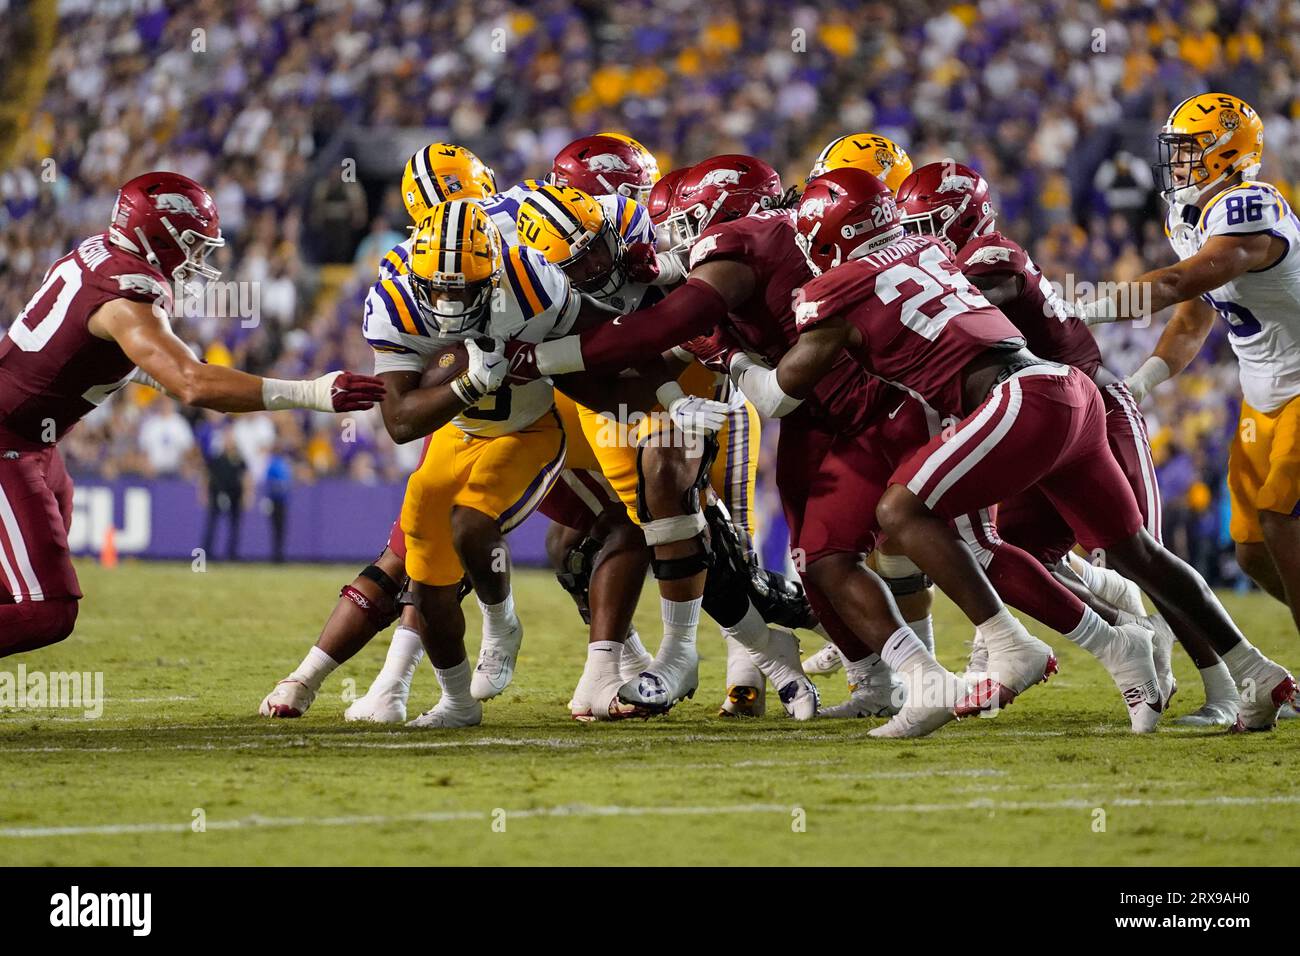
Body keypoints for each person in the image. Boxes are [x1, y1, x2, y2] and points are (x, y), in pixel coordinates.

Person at [754, 166, 1295, 734]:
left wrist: (729, 358)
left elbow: (775, 397)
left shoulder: (898, 274)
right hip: (1065, 396)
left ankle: (1012, 645)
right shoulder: (930, 251)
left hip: (1031, 401)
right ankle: (1251, 669)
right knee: (1125, 550)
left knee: (902, 512)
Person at [895, 159, 1240, 727]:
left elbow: (965, 311)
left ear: (962, 216)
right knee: (1016, 551)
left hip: (1095, 413)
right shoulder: (957, 261)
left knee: (1144, 557)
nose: (916, 239)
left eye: (926, 224)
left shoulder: (989, 257)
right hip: (1040, 422)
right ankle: (1125, 628)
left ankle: (1226, 685)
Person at [0, 170, 384, 657]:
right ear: (156, 236)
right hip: (9, 440)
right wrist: (312, 393)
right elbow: (193, 382)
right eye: (193, 244)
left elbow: (100, 359)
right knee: (47, 609)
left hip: (32, 440)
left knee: (16, 586)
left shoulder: (100, 254)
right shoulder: (125, 297)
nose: (200, 258)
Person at [1081, 93, 1300, 645]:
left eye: (1188, 150)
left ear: (1226, 151)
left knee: (1280, 516)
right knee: (1251, 547)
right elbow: (1192, 317)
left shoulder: (1253, 206)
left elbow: (1181, 282)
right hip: (1262, 391)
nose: (1176, 161)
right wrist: (1140, 384)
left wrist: (1078, 303)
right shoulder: (1191, 214)